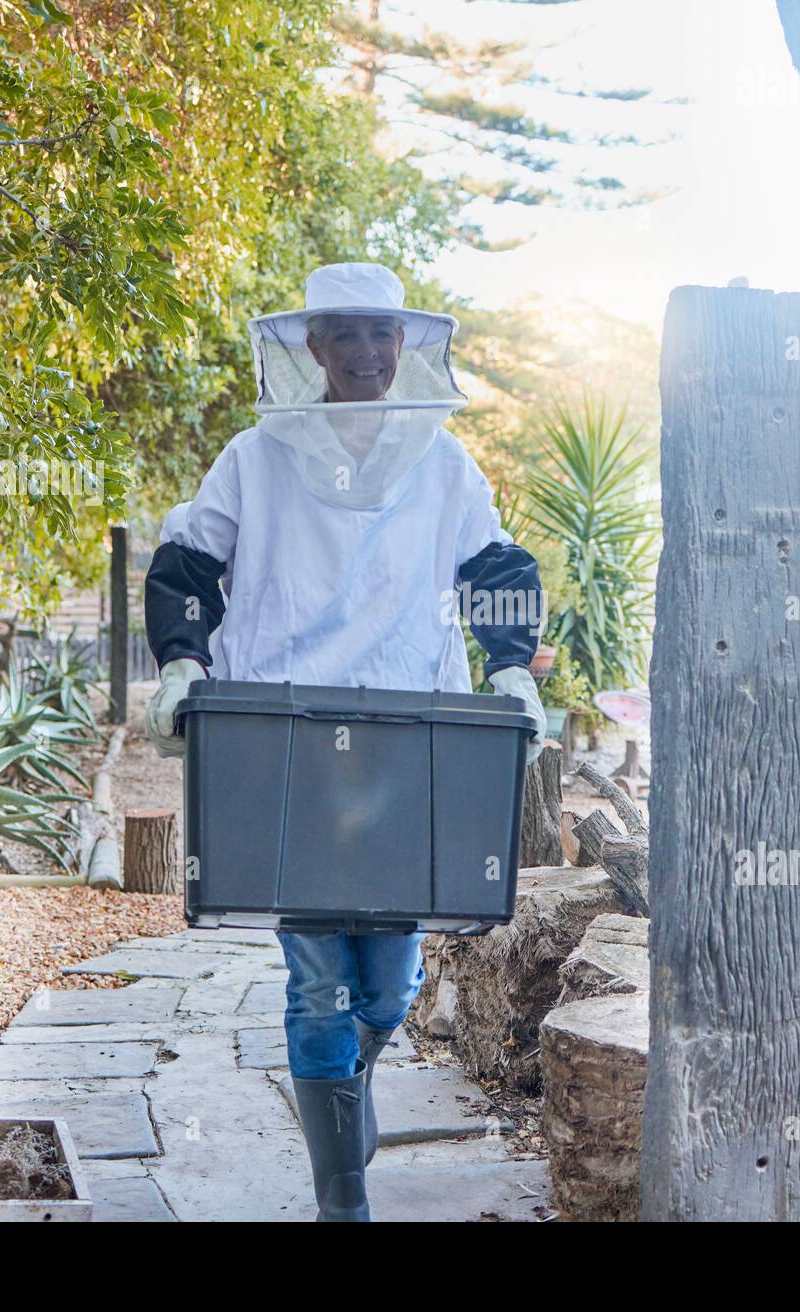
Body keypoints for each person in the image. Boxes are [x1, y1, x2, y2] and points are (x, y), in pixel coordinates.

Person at [141, 262, 547, 1222]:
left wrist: (513, 666)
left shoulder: (445, 463)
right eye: (346, 335)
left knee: (392, 980)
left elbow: (495, 564)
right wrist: (183, 661)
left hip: (412, 733)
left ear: (403, 347)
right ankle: (342, 1195)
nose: (366, 353)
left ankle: (347, 1085)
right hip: (284, 729)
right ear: (312, 346)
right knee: (317, 969)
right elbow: (190, 559)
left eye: (382, 335)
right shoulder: (257, 454)